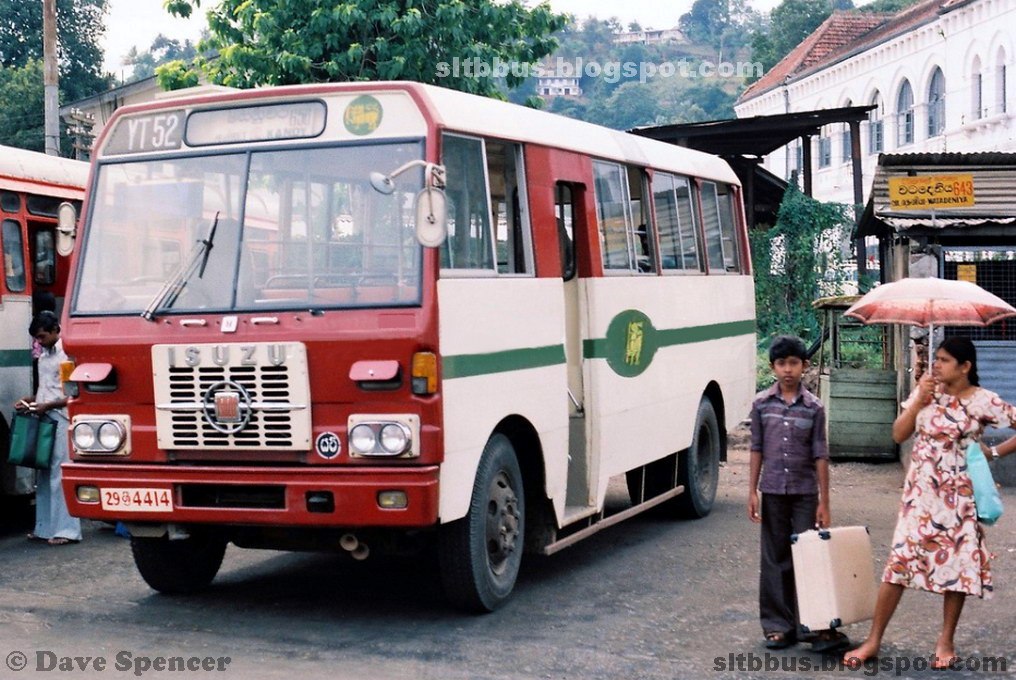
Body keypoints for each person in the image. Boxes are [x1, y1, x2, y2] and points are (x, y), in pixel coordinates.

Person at [845, 337, 1016, 669]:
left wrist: (993, 453)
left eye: (944, 360)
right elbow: (898, 434)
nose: (936, 365)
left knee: (958, 567)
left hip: (960, 500)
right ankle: (873, 640)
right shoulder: (925, 392)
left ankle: (945, 641)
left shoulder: (985, 401)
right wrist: (918, 402)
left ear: (965, 367)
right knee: (898, 565)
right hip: (920, 499)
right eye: (935, 358)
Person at [748, 335, 847, 652]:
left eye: (793, 363)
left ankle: (814, 626)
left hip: (805, 492)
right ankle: (778, 626)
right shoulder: (762, 404)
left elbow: (821, 454)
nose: (787, 370)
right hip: (773, 489)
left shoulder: (814, 408)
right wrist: (751, 491)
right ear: (773, 367)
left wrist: (824, 502)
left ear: (804, 366)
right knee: (774, 557)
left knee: (808, 557)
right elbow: (756, 448)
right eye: (781, 363)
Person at [16, 310, 81, 546]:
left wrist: (46, 404)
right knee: (44, 474)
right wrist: (31, 400)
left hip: (61, 417)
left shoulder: (66, 355)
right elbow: (49, 388)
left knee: (59, 473)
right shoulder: (45, 353)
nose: (39, 342)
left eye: (42, 337)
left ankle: (67, 530)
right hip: (46, 413)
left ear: (56, 331)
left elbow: (72, 393)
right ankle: (44, 527)